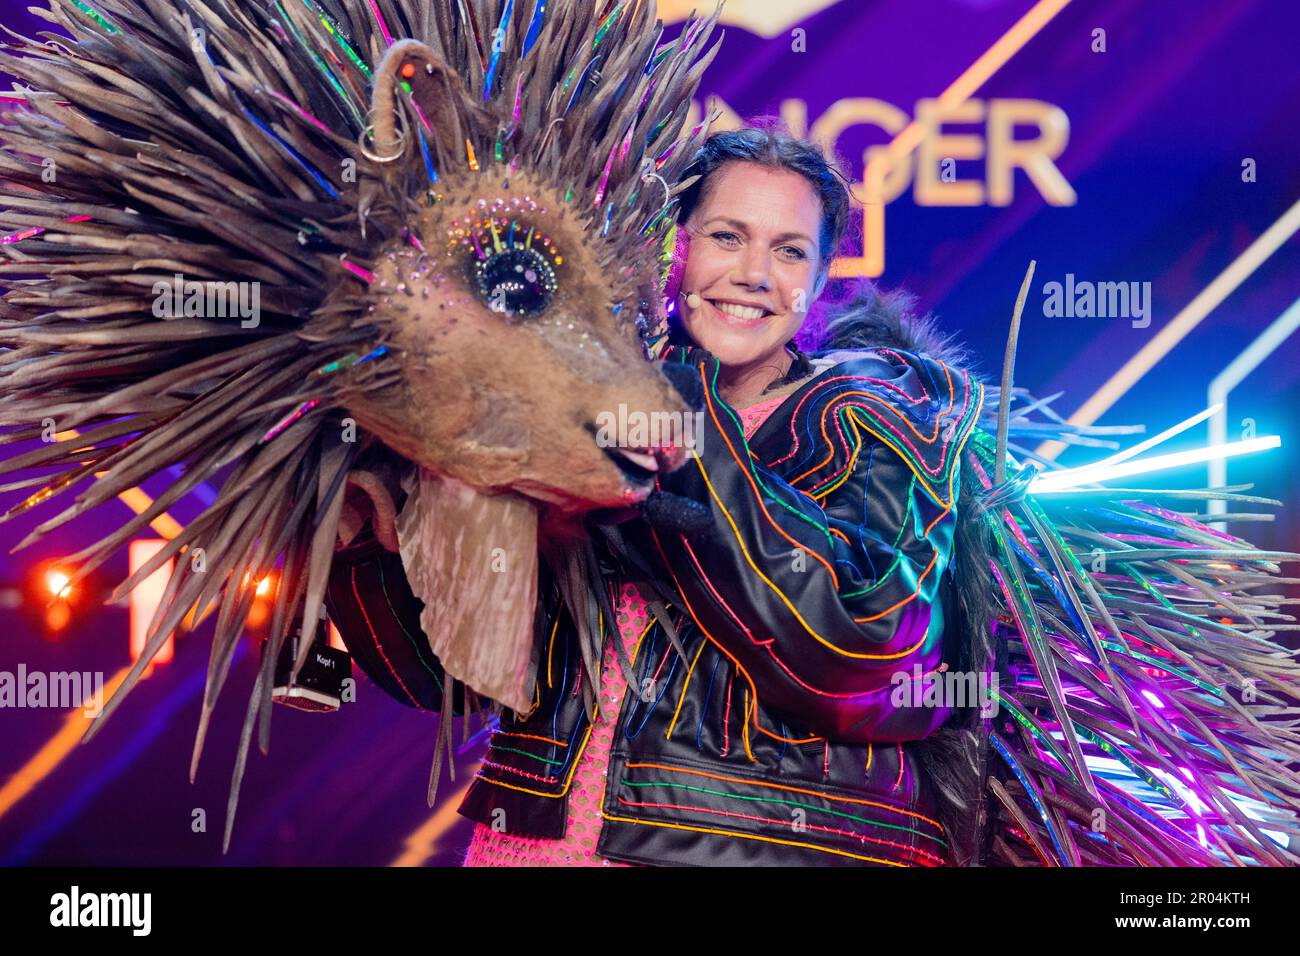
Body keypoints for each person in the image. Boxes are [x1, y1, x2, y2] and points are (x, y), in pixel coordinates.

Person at [327, 123, 990, 866]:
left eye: (790, 251)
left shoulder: (873, 417)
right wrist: (365, 545)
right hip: (531, 845)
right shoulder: (577, 413)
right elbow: (456, 676)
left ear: (822, 274)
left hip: (742, 847)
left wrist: (688, 446)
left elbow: (872, 655)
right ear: (675, 243)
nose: (754, 274)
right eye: (727, 236)